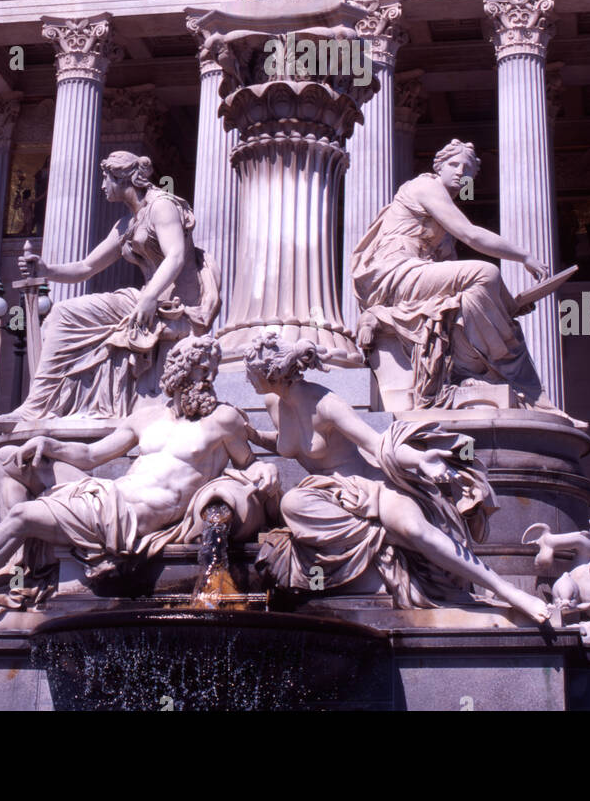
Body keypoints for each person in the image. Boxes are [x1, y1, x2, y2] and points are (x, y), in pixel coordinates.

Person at [0, 338, 268, 609]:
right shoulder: (147, 416)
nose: (209, 377)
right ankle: (20, 561)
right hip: (105, 493)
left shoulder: (224, 420)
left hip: (132, 519)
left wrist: (263, 473)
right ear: (180, 370)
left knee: (23, 515)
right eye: (202, 368)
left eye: (213, 370)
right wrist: (48, 442)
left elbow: (249, 464)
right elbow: (89, 454)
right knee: (5, 458)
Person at [244, 333, 549, 620]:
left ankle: (507, 591)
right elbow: (288, 441)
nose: (247, 379)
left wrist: (420, 460)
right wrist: (255, 436)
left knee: (415, 530)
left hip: (368, 484)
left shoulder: (326, 404)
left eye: (251, 373)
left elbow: (376, 445)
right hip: (326, 491)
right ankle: (380, 546)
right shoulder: (275, 403)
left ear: (271, 374)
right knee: (294, 502)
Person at [351, 140, 570, 416]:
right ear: (439, 166)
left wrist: (503, 307)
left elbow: (455, 280)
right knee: (484, 272)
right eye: (453, 165)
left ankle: (525, 392)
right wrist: (524, 256)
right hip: (393, 274)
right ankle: (513, 382)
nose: (459, 173)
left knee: (479, 299)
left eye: (467, 170)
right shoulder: (425, 187)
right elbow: (471, 234)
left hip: (414, 275)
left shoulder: (445, 231)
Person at [0, 152, 219, 426]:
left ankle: (38, 405)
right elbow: (86, 267)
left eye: (105, 178)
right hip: (147, 299)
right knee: (62, 314)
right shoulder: (125, 225)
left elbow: (175, 255)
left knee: (64, 315)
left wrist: (149, 297)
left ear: (121, 177)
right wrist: (46, 270)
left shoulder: (162, 206)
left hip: (174, 303)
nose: (102, 186)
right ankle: (40, 404)